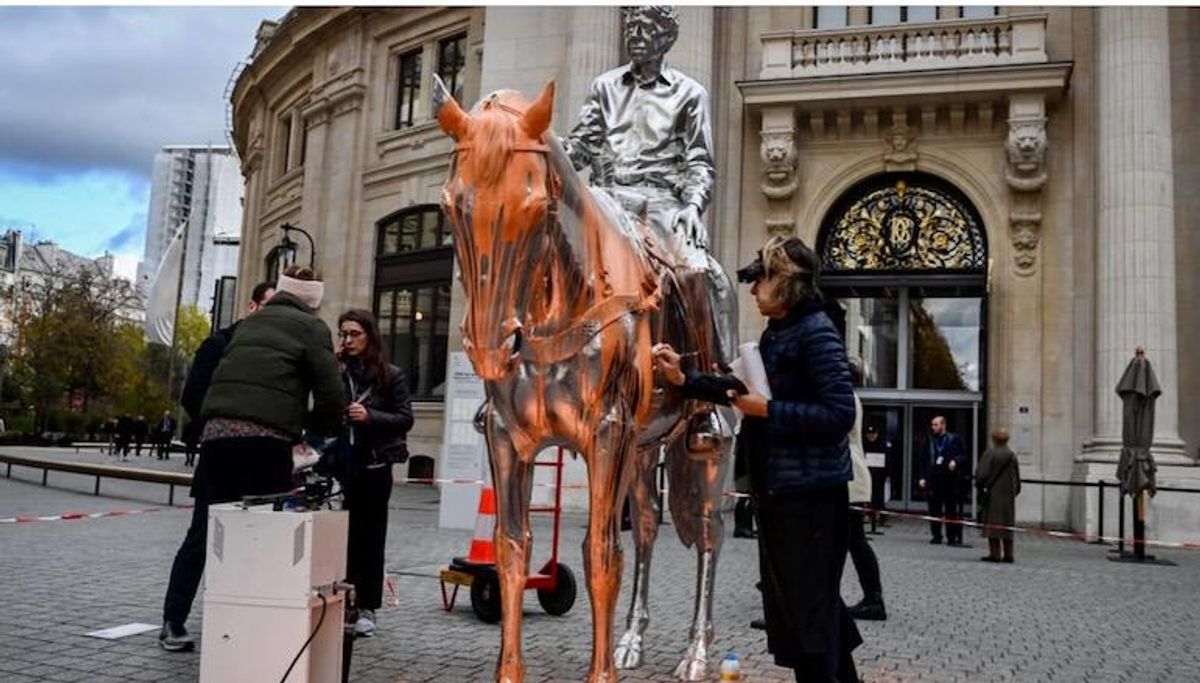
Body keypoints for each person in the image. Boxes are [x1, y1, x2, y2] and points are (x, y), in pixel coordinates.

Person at [655, 235, 860, 682]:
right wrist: (684, 378)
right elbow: (740, 390)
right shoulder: (779, 332)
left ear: (786, 284)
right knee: (808, 608)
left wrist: (769, 411)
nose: (752, 290)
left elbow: (840, 412)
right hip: (781, 490)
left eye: (761, 280)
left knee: (811, 611)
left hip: (811, 499)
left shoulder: (816, 331)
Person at [159, 268, 344, 652]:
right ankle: (257, 628)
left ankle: (174, 622)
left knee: (203, 533)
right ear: (314, 300)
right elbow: (331, 394)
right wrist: (314, 434)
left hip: (217, 441)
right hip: (265, 443)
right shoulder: (312, 329)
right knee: (265, 535)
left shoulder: (247, 326)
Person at [564, 4, 736, 367]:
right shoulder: (604, 86)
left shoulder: (690, 93)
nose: (635, 35)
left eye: (645, 28)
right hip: (604, 200)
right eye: (631, 26)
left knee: (701, 274)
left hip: (660, 204)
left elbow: (699, 161)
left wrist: (692, 207)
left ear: (666, 37)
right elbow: (580, 146)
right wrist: (542, 150)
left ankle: (709, 385)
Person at [328, 309, 413, 638]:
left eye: (354, 334)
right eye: (343, 334)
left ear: (370, 337)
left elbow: (405, 418)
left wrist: (371, 416)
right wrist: (332, 370)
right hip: (344, 464)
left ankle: (368, 606)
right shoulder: (340, 372)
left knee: (371, 537)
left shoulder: (390, 375)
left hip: (376, 465)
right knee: (344, 537)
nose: (348, 341)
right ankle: (345, 601)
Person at [845, 358, 886, 621]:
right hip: (850, 477)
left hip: (850, 478)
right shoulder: (849, 396)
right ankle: (873, 598)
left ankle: (874, 599)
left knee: (855, 540)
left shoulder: (844, 397)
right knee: (852, 540)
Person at [917, 415, 967, 546]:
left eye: (936, 425)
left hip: (949, 479)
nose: (933, 427)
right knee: (934, 509)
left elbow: (963, 455)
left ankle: (952, 536)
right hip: (933, 479)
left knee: (951, 509)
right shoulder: (929, 440)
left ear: (943, 425)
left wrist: (955, 461)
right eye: (932, 425)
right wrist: (922, 477)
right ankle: (936, 535)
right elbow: (923, 459)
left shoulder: (953, 439)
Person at [975, 428, 1021, 563]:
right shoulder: (1012, 455)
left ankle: (994, 554)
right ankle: (1009, 554)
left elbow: (981, 474)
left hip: (993, 494)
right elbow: (1017, 477)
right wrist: (1015, 490)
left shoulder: (990, 453)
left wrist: (980, 486)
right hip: (1008, 495)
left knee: (993, 524)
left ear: (994, 439)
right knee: (1007, 524)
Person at [862, 424, 891, 526]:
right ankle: (869, 515)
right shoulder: (864, 444)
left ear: (877, 434)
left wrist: (888, 474)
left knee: (879, 495)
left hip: (880, 475)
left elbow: (888, 460)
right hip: (867, 474)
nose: (871, 436)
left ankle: (881, 515)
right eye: (869, 434)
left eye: (873, 434)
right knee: (868, 495)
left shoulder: (883, 444)